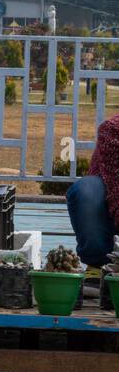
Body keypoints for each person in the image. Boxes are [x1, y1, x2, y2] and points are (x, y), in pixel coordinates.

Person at [67, 114, 119, 271]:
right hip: (110, 212)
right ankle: (97, 266)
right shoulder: (113, 129)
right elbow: (117, 194)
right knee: (86, 190)